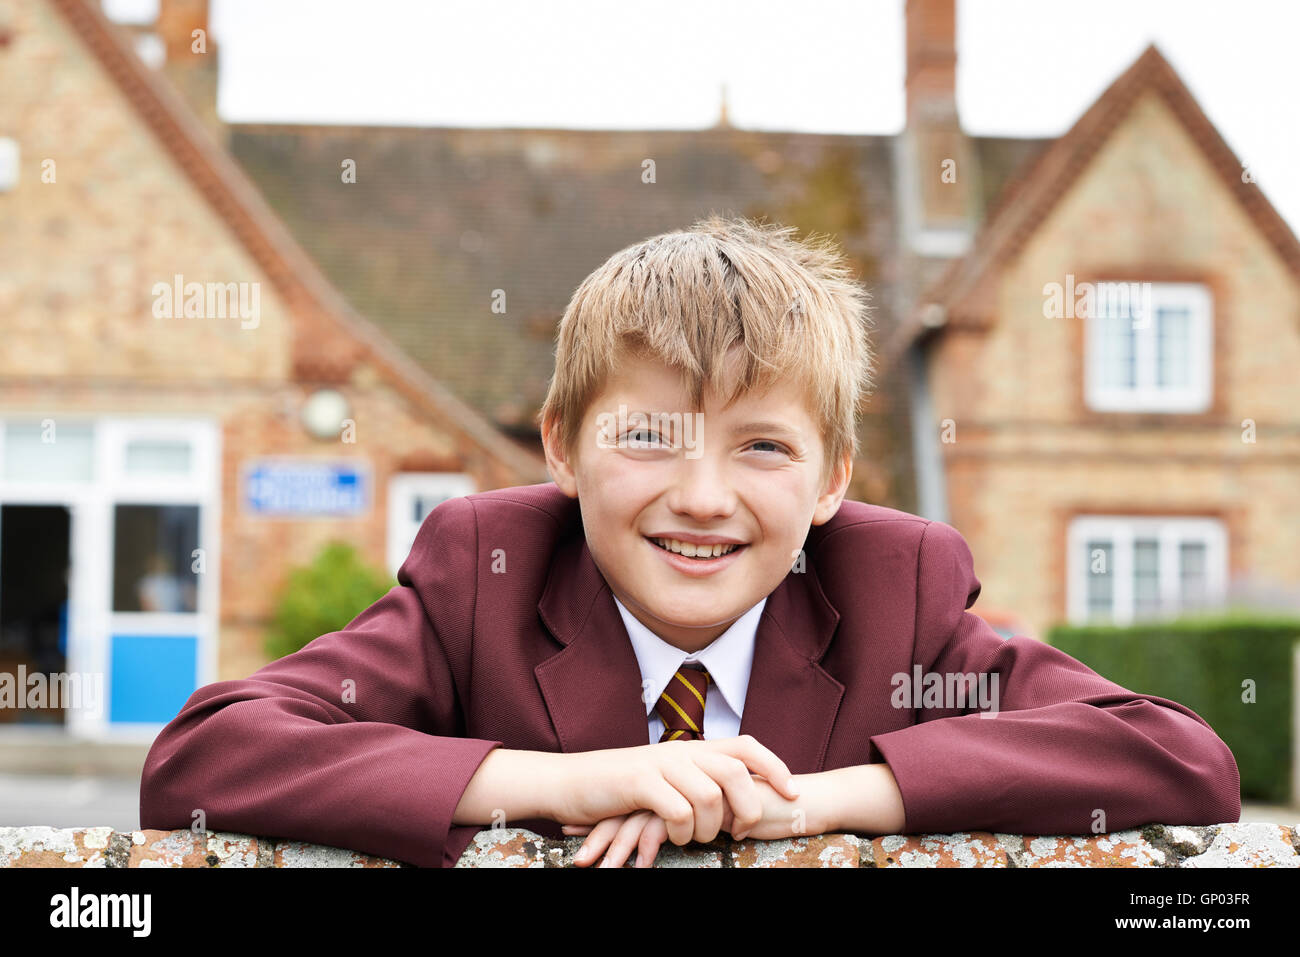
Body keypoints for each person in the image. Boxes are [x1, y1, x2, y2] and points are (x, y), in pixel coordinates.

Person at [138, 216, 1240, 868]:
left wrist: (819, 799)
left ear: (832, 482)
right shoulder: (487, 569)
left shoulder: (892, 583)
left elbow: (1178, 760)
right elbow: (203, 759)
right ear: (562, 448)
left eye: (762, 447)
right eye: (650, 440)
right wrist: (561, 783)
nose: (702, 497)